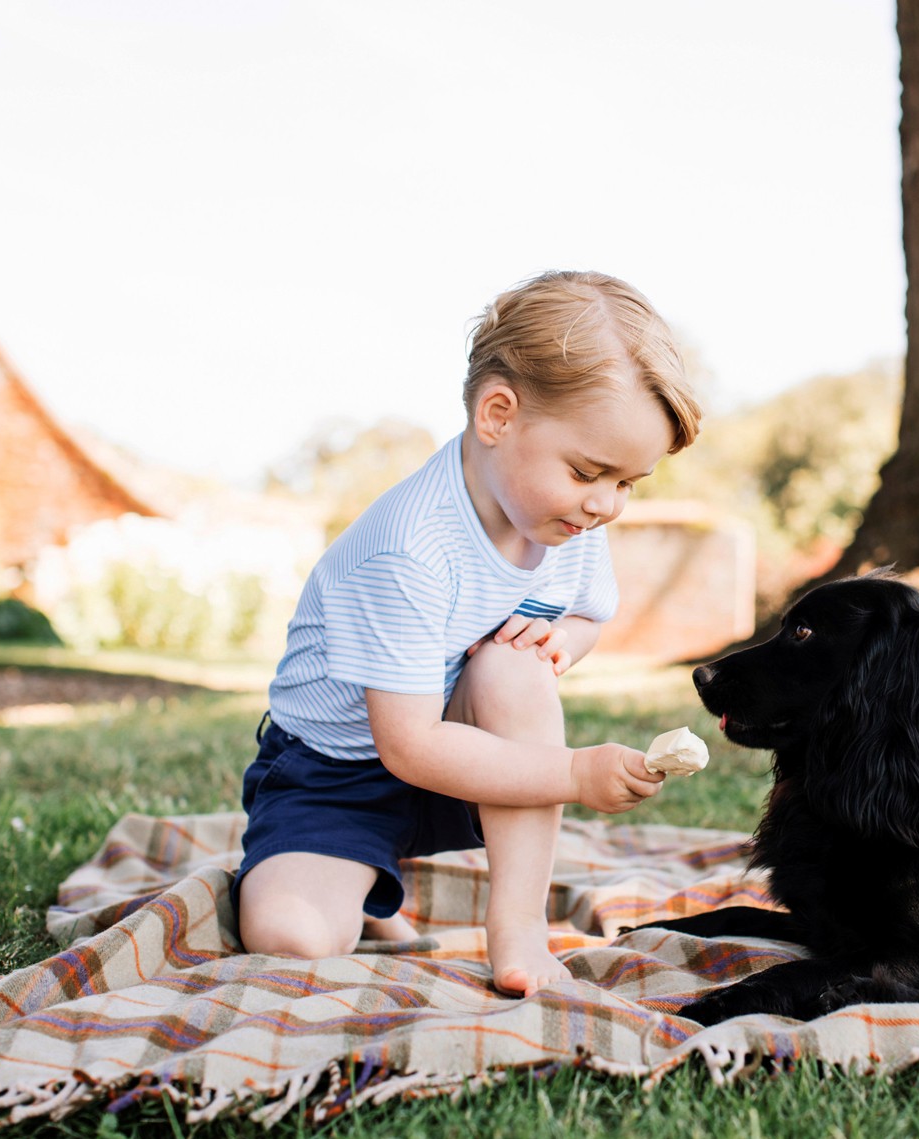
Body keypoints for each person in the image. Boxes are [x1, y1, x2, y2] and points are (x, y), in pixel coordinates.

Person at [235, 270, 702, 998]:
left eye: (628, 483)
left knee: (514, 671)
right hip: (339, 771)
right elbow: (408, 745)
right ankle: (355, 881)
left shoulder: (565, 516)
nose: (607, 503)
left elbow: (585, 615)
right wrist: (576, 773)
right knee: (290, 939)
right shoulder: (409, 548)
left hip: (469, 753)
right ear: (497, 414)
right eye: (589, 471)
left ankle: (517, 928)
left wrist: (559, 646)